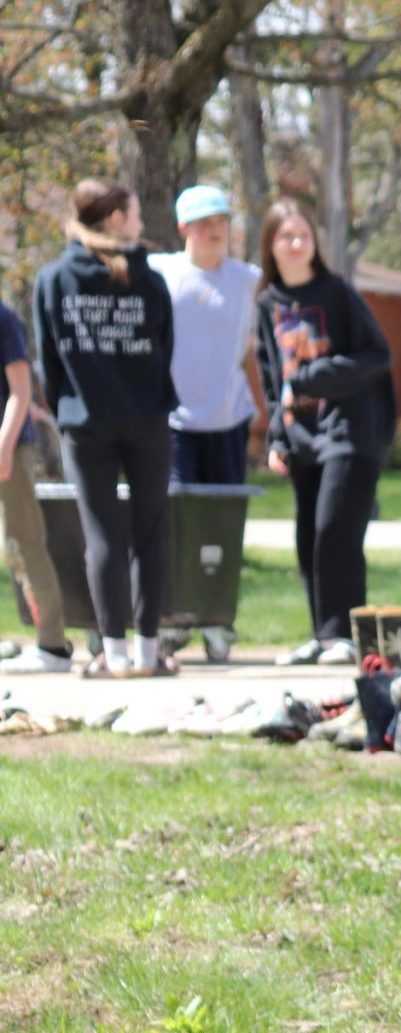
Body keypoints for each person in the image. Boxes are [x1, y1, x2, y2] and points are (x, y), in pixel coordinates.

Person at [34, 178, 178, 680]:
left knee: (102, 536)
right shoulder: (150, 280)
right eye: (135, 213)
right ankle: (147, 652)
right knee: (151, 532)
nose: (139, 223)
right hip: (147, 419)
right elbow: (165, 348)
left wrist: (67, 406)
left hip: (85, 422)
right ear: (117, 219)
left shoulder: (53, 280)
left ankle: (114, 654)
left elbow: (48, 363)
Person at [254, 200, 395, 667]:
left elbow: (376, 355)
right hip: (302, 436)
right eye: (286, 236)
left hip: (351, 430)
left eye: (303, 236)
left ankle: (345, 637)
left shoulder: (336, 293)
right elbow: (275, 381)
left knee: (336, 530)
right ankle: (322, 634)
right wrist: (277, 436)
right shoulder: (268, 303)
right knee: (308, 536)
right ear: (271, 245)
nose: (296, 244)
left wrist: (314, 377)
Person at [150, 184, 266, 486]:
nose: (215, 230)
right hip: (172, 421)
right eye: (204, 223)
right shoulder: (159, 273)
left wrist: (263, 409)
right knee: (176, 519)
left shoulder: (248, 279)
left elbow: (252, 349)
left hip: (230, 419)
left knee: (222, 519)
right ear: (183, 227)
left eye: (220, 221)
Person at [0, 297, 72, 675]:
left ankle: (53, 643)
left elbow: (20, 390)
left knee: (23, 540)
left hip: (8, 446)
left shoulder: (4, 318)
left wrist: (5, 445)